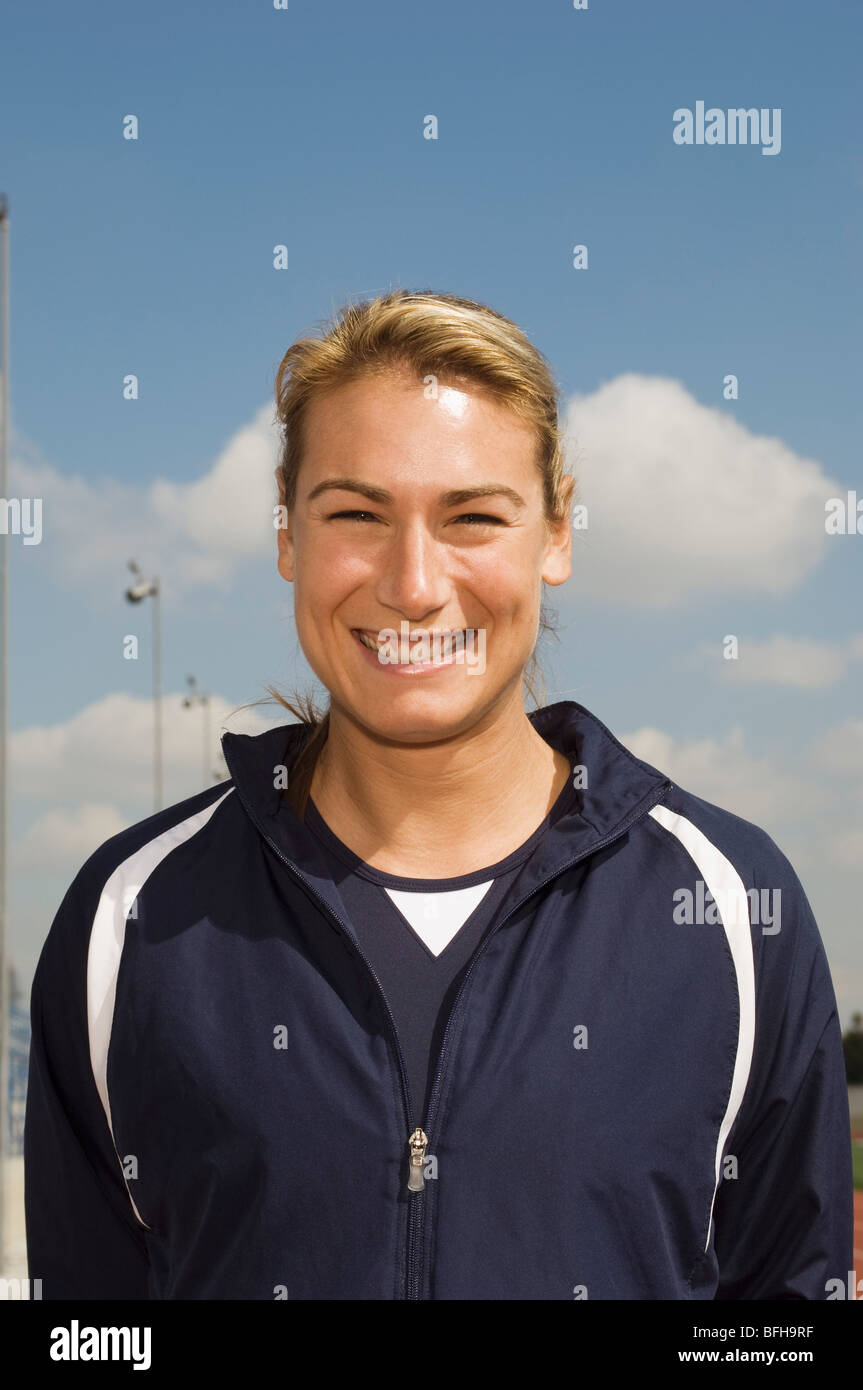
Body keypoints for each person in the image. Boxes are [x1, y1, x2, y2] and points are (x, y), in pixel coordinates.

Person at [24, 289, 853, 1300]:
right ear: (287, 534)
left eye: (471, 517)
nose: (413, 583)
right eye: (357, 513)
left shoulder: (730, 906)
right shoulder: (130, 919)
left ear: (554, 531)